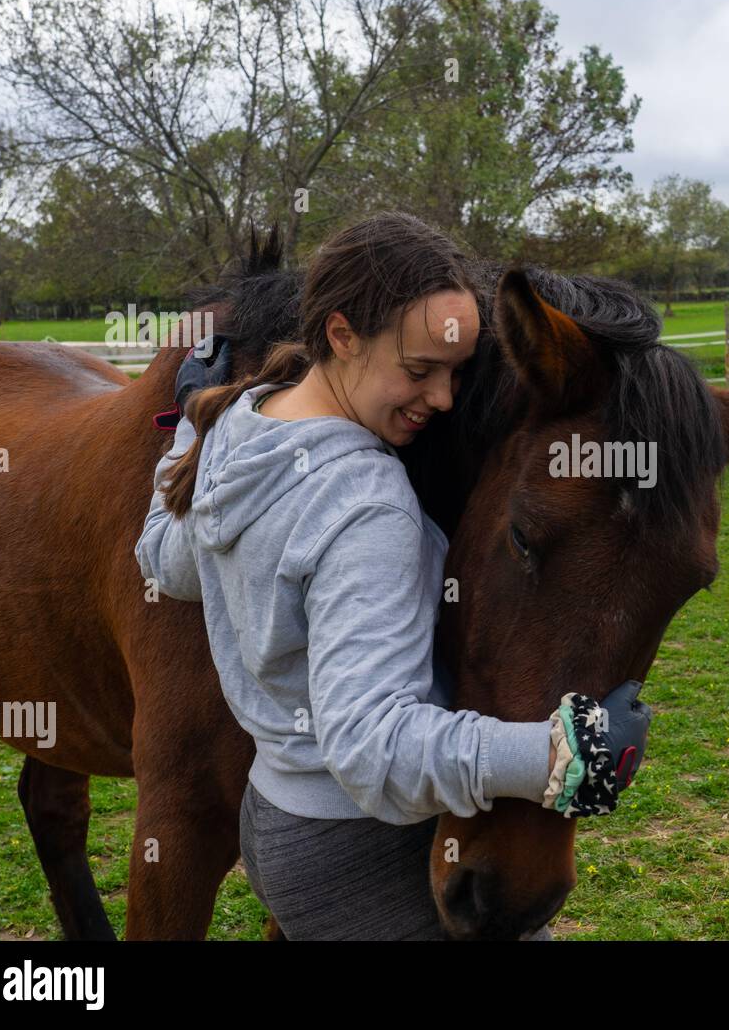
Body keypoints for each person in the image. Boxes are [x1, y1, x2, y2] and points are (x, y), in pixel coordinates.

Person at [134, 212, 651, 940]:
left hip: (277, 819)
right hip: (358, 838)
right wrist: (562, 753)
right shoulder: (371, 508)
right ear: (341, 336)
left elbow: (163, 557)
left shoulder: (243, 433)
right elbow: (370, 747)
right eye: (419, 370)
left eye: (457, 371)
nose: (442, 399)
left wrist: (192, 423)